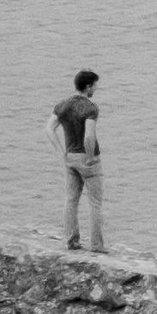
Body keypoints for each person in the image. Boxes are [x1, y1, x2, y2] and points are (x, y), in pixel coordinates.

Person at [54, 70, 104, 251]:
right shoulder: (90, 108)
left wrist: (62, 152)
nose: (96, 88)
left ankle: (71, 240)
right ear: (88, 86)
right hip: (87, 157)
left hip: (70, 157)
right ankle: (97, 245)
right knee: (95, 202)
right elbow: (89, 136)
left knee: (71, 200)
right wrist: (90, 157)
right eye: (95, 85)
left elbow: (48, 129)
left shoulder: (62, 106)